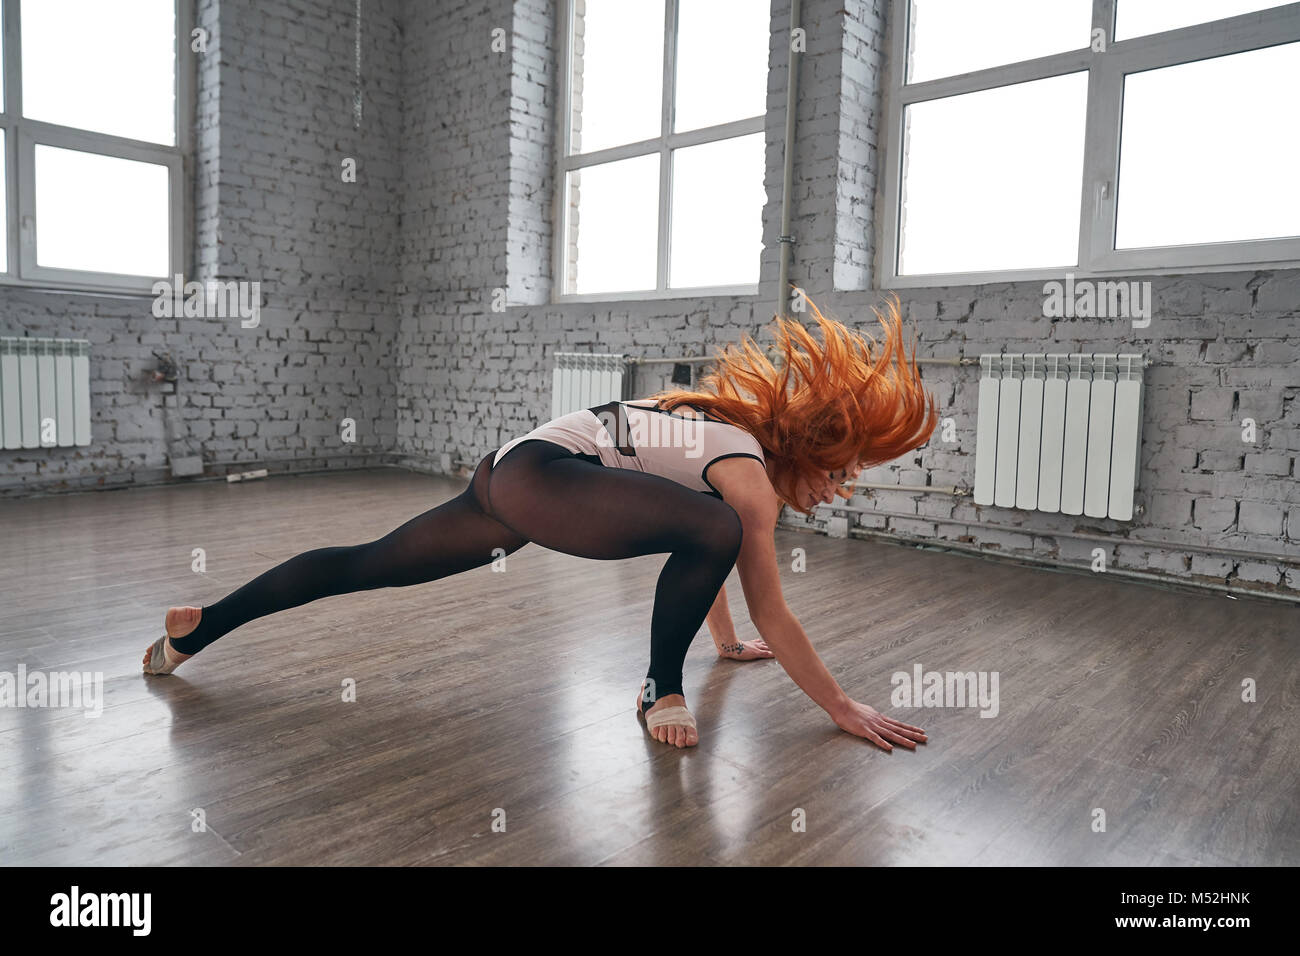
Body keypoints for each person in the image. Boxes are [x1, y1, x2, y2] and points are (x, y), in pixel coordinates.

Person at [144, 295, 939, 752]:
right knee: (711, 529)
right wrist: (843, 707)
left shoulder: (719, 445)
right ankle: (660, 691)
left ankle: (195, 630)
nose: (838, 492)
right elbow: (761, 589)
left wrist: (725, 643)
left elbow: (704, 538)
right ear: (813, 447)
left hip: (508, 477)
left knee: (367, 562)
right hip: (544, 482)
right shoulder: (748, 481)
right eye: (841, 473)